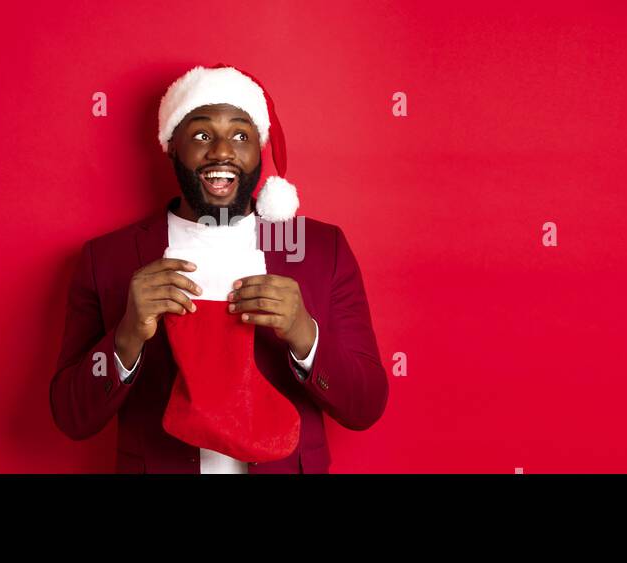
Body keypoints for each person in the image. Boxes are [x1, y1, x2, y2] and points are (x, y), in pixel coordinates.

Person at [50, 65, 387, 473]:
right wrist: (126, 337)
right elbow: (71, 415)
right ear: (172, 145)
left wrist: (304, 333)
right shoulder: (108, 259)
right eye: (202, 135)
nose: (222, 151)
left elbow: (365, 406)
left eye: (241, 136)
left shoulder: (320, 250)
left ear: (258, 149)